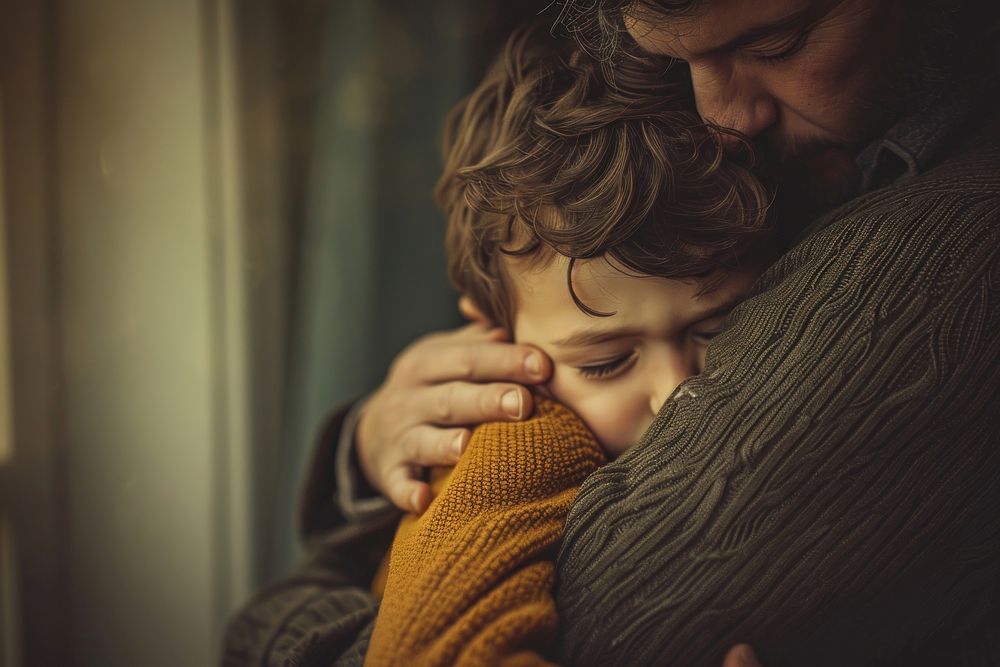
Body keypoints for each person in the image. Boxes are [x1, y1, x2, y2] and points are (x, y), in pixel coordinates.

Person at [224, 0, 1000, 664]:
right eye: (606, 361)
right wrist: (364, 444)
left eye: (775, 43)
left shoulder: (936, 227)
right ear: (496, 342)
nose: (677, 389)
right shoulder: (516, 448)